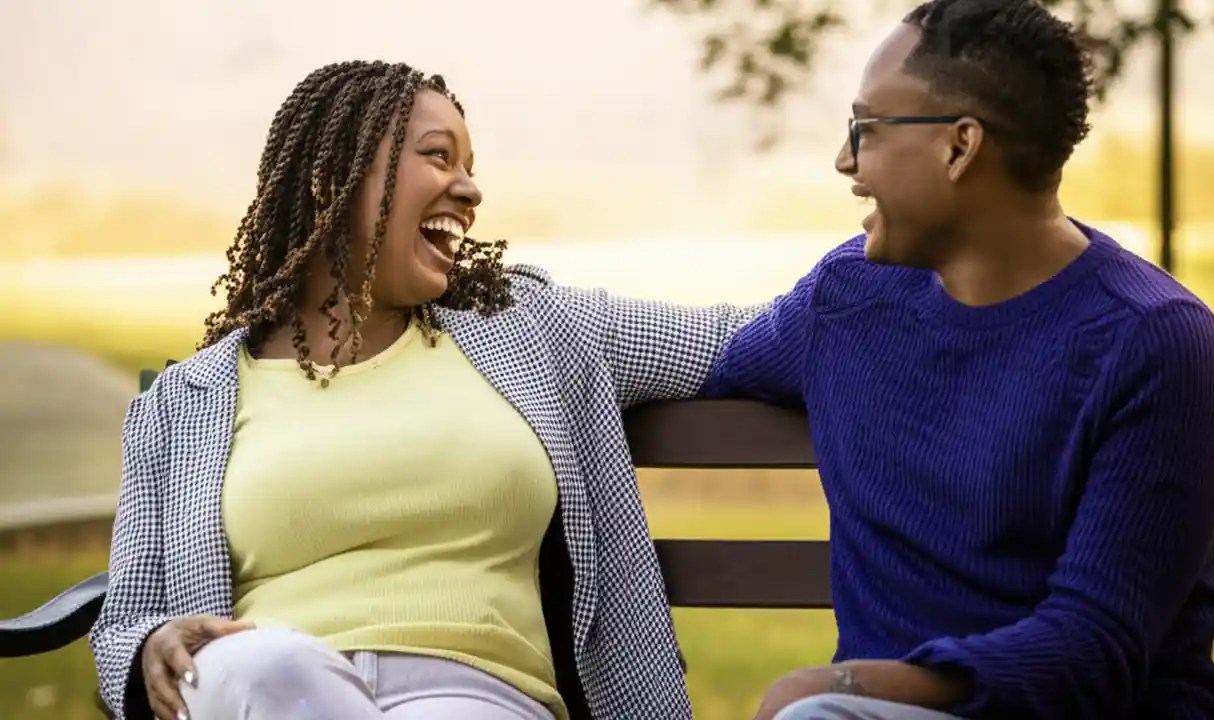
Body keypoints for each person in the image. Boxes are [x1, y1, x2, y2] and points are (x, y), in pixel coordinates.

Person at [89, 60, 757, 720]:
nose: (470, 191)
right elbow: (123, 624)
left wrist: (865, 241)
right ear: (331, 180)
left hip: (470, 696)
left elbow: (751, 338)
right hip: (265, 689)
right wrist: (150, 645)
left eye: (470, 168)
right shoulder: (184, 404)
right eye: (440, 157)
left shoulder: (530, 326)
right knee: (271, 663)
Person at [702, 1, 1214, 718]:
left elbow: (1092, 650)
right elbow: (701, 351)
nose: (845, 162)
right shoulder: (850, 300)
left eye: (865, 129)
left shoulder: (1155, 342)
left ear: (959, 147)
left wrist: (840, 687)